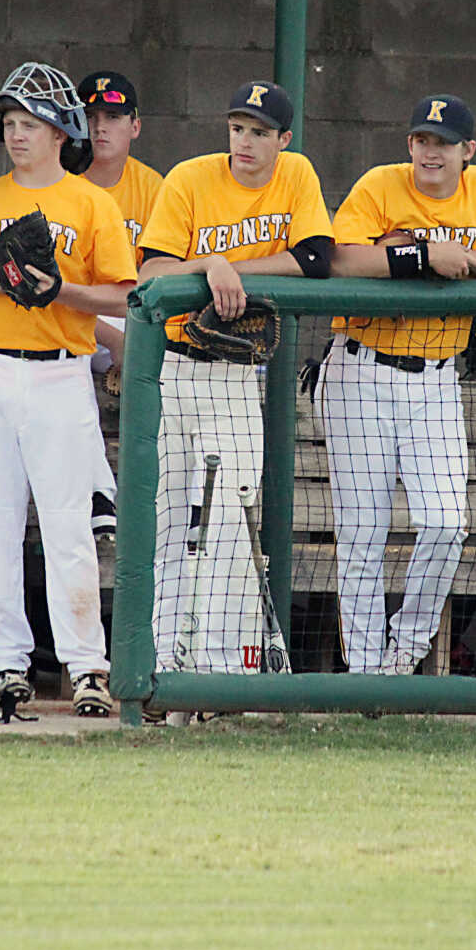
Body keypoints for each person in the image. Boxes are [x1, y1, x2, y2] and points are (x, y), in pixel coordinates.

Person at [0, 61, 136, 716]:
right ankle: (6, 664)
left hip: (59, 371)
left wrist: (61, 291)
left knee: (69, 526)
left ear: (58, 132)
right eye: (10, 124)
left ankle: (86, 668)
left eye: (30, 124)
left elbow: (125, 298)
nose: (16, 136)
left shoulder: (90, 202)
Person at [322, 93, 476, 674]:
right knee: (362, 533)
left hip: (436, 376)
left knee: (446, 520)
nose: (429, 152)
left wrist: (461, 256)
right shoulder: (379, 185)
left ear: (468, 150)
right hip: (363, 368)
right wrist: (420, 254)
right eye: (422, 140)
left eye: (442, 143)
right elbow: (340, 258)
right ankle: (366, 676)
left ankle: (406, 650)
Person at [138, 80, 333, 674]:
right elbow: (151, 268)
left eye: (259, 132)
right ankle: (162, 664)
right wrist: (211, 264)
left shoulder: (295, 175)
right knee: (166, 520)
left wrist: (235, 269)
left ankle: (219, 670)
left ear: (284, 139)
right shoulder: (191, 177)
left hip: (237, 375)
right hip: (173, 370)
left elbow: (317, 257)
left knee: (231, 519)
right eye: (237, 128)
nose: (244, 141)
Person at [77, 70, 163, 543]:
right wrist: (114, 339)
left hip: (139, 319)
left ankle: (183, 504)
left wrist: (135, 336)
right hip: (79, 323)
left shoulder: (156, 189)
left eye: (112, 116)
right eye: (91, 116)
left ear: (135, 125)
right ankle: (97, 493)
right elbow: (57, 292)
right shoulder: (62, 184)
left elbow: (165, 272)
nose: (100, 127)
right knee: (66, 367)